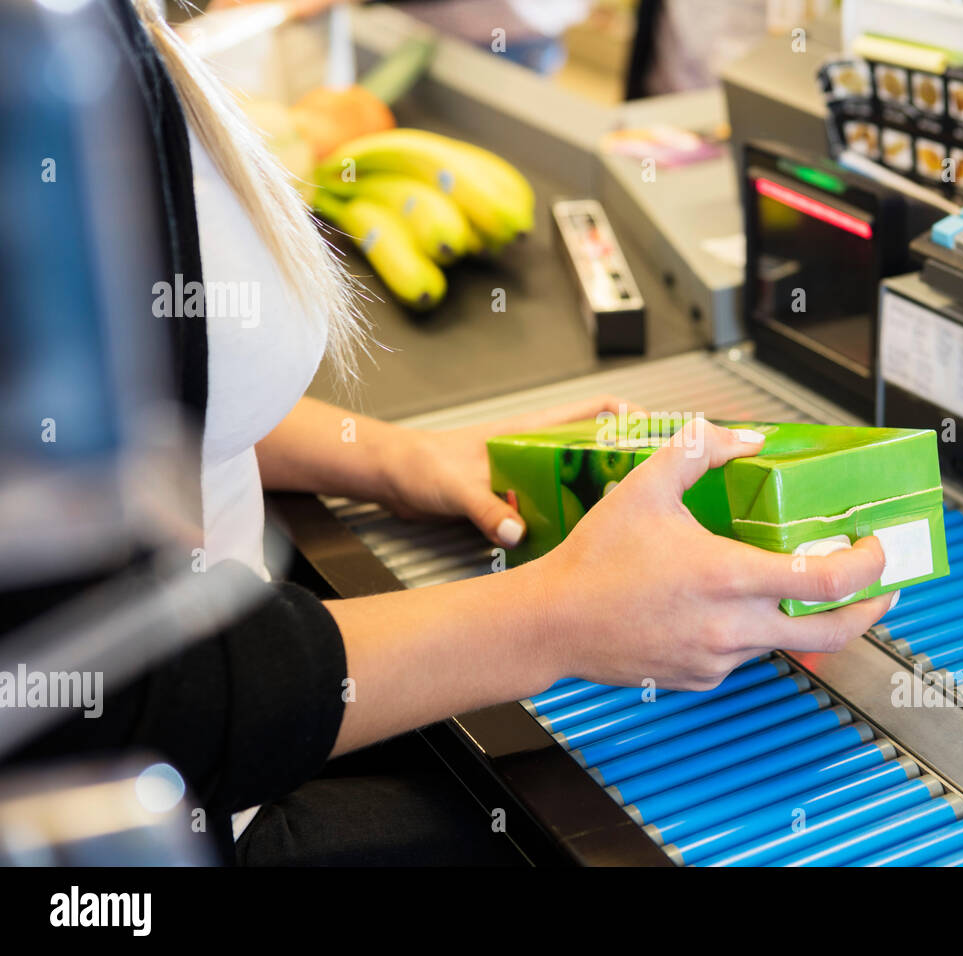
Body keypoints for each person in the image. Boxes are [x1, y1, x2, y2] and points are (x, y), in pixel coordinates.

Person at [7, 0, 892, 865]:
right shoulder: (35, 70)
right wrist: (555, 618)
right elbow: (106, 695)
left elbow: (130, 409)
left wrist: (392, 456)